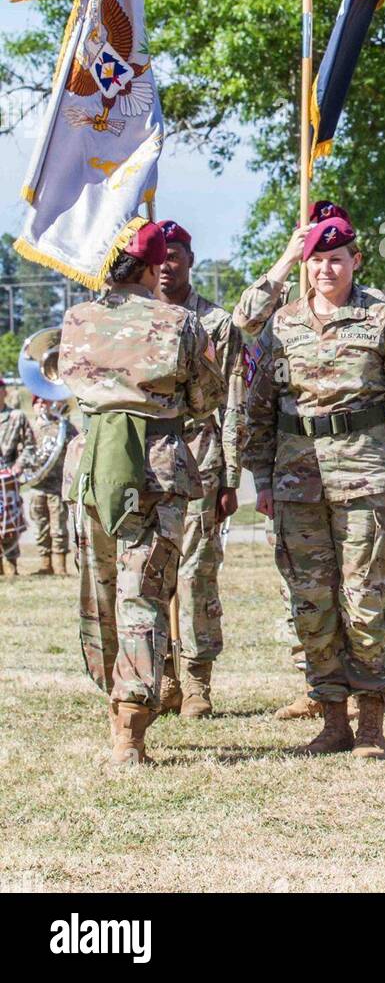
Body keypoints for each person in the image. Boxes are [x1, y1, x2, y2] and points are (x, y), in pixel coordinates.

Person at [244, 215, 385, 758]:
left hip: (366, 477)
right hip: (296, 480)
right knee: (311, 603)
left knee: (365, 599)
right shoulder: (280, 325)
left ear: (355, 262)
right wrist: (261, 476)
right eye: (317, 259)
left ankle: (370, 719)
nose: (326, 268)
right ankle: (331, 717)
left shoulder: (384, 321)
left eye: (337, 258)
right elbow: (258, 410)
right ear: (304, 265)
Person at [58, 222, 226, 767]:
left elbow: (70, 383)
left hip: (92, 467)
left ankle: (115, 708)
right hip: (156, 470)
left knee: (100, 592)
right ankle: (130, 730)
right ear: (155, 268)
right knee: (143, 594)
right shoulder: (180, 322)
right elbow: (206, 398)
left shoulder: (77, 319)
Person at [155, 219, 246, 717]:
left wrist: (232, 477)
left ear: (191, 260)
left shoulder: (217, 324)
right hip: (150, 458)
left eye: (176, 255)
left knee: (196, 570)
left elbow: (234, 403)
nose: (167, 265)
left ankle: (196, 681)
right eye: (160, 256)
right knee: (153, 570)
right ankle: (161, 675)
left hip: (201, 454)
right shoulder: (139, 318)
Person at [232, 200, 352, 336]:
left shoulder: (372, 304)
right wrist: (289, 257)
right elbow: (246, 320)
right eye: (314, 245)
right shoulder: (285, 298)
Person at [28, 396, 78, 577]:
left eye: (45, 401)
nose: (42, 405)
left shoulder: (63, 427)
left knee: (58, 528)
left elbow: (76, 448)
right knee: (40, 526)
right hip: (37, 486)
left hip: (57, 486)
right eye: (37, 402)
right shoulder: (30, 428)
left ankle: (60, 566)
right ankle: (45, 563)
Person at [0, 378, 36, 577]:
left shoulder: (16, 417)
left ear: (4, 392)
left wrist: (18, 466)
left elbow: (29, 445)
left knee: (10, 523)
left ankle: (11, 564)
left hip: (7, 480)